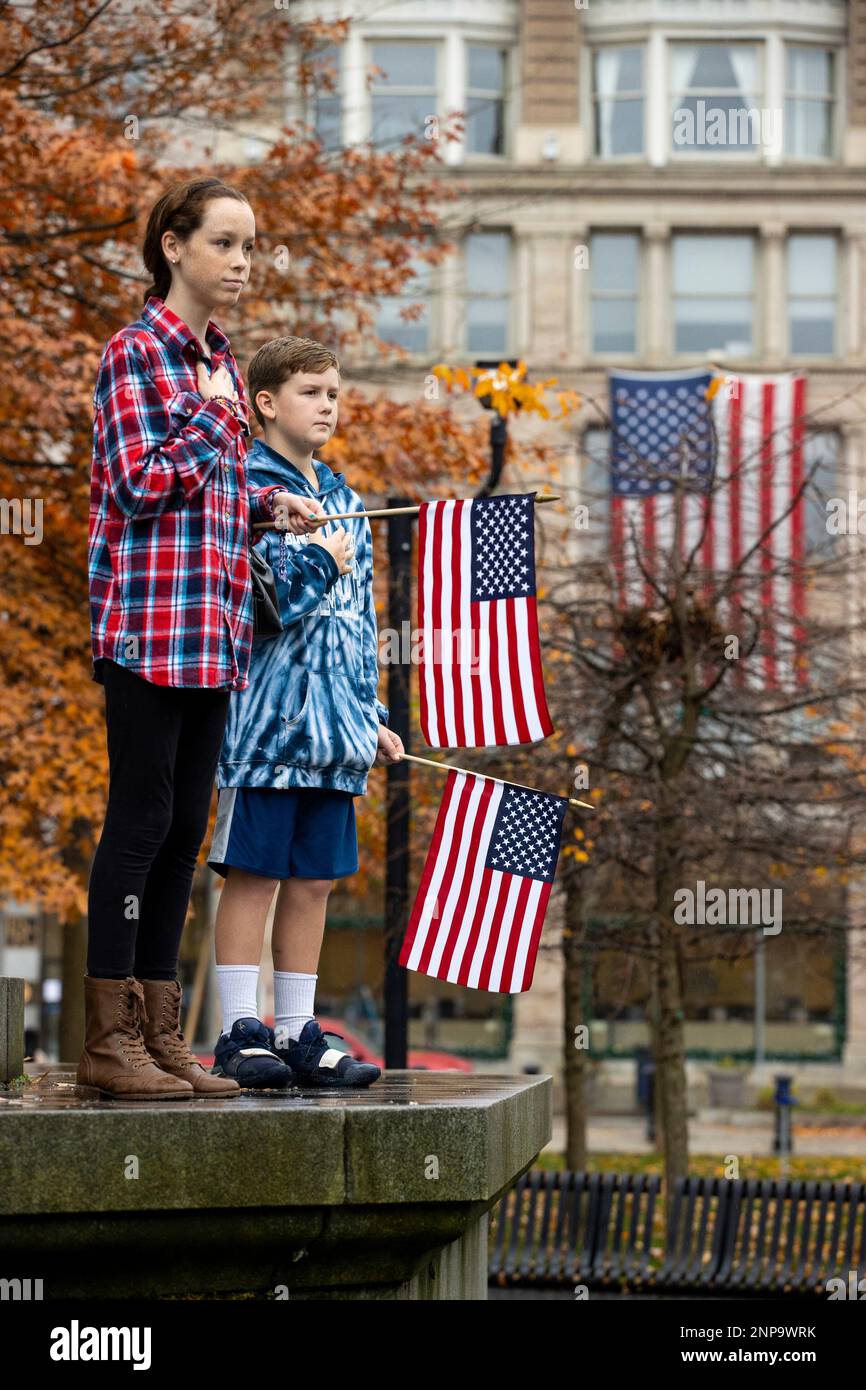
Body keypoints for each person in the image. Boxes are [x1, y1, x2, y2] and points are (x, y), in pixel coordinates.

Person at [81, 178, 326, 1100]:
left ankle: (160, 1037)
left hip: (213, 631)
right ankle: (110, 1043)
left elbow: (206, 491)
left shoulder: (216, 361)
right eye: (225, 243)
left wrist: (269, 505)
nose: (241, 262)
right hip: (148, 627)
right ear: (173, 247)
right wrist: (223, 413)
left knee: (185, 829)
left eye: (250, 246)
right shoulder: (137, 353)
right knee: (139, 823)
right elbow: (139, 484)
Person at [206, 335, 404, 1089]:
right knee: (253, 874)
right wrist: (322, 552)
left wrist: (372, 713)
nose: (328, 405)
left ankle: (295, 1031)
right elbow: (266, 603)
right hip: (265, 728)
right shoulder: (246, 488)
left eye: (334, 393)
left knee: (315, 883)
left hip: (335, 735)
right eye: (311, 392)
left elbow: (357, 627)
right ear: (264, 403)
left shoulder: (346, 498)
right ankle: (237, 1029)